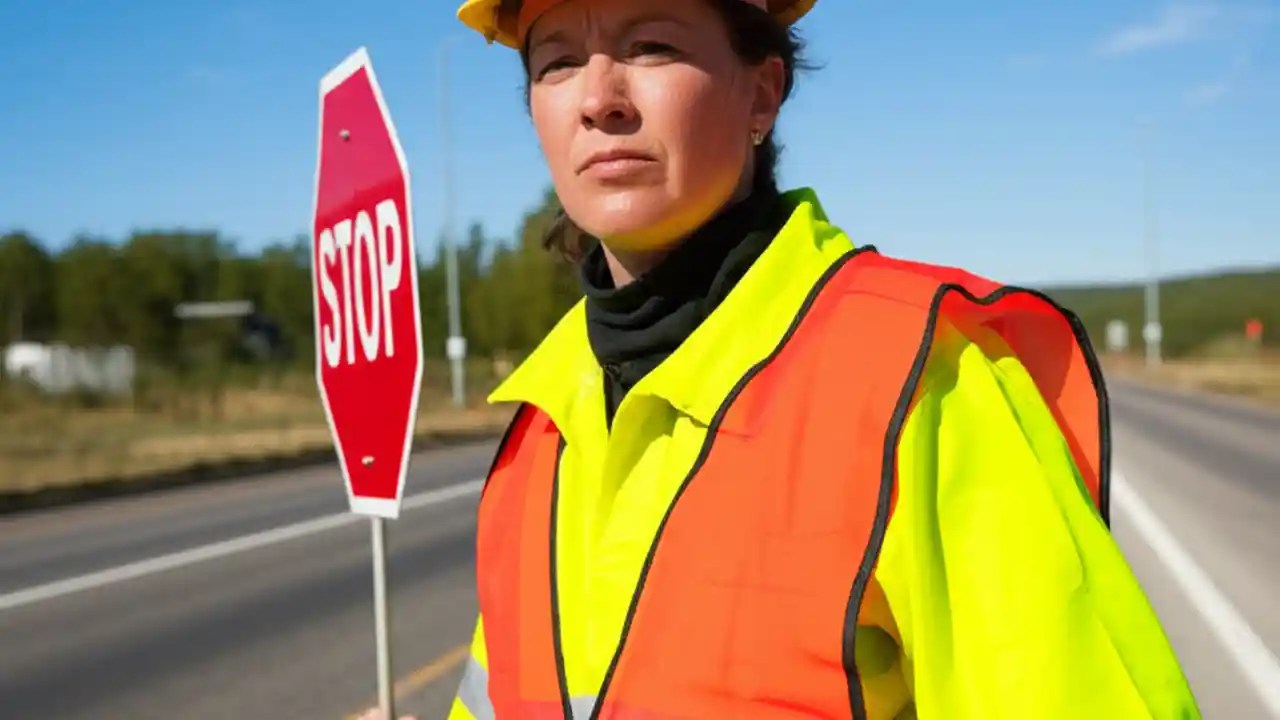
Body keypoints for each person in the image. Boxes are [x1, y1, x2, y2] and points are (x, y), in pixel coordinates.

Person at [365, 0, 1202, 717]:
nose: (597, 100)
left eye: (650, 46)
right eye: (555, 63)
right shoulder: (538, 437)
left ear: (762, 93)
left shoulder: (920, 376)